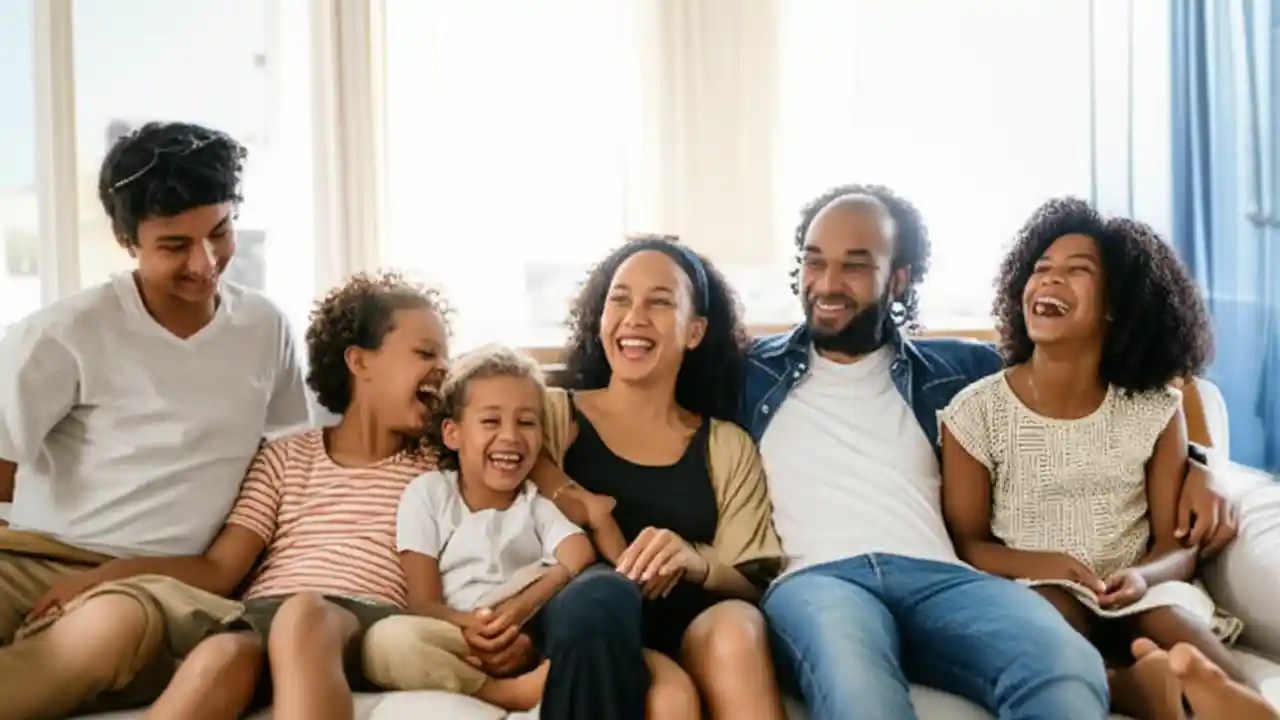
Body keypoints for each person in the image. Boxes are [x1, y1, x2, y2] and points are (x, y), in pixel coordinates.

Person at [744, 185, 1242, 720]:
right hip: (822, 580)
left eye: (855, 266)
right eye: (814, 262)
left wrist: (1201, 465)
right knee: (862, 697)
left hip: (944, 579)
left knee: (1064, 663)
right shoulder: (746, 372)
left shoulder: (960, 369)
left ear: (899, 278)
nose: (828, 284)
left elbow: (1102, 389)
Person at [21, 271, 449, 720]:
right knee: (220, 656)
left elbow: (518, 458)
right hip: (263, 615)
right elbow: (218, 569)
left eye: (445, 356)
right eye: (425, 353)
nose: (441, 367)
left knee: (305, 616)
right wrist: (103, 576)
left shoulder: (437, 465)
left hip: (356, 618)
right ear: (359, 363)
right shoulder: (286, 457)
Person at [0, 122, 310, 719]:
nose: (205, 262)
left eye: (219, 232)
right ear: (126, 240)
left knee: (104, 632)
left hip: (159, 585)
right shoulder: (65, 334)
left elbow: (285, 475)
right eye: (175, 246)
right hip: (37, 557)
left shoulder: (265, 330)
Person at [940, 198, 1247, 720]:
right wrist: (1048, 566)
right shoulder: (976, 413)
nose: (1050, 282)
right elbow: (969, 543)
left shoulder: (1153, 409)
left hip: (1137, 589)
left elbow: (1177, 544)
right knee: (1051, 618)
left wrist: (1143, 578)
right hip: (1037, 588)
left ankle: (1239, 698)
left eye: (1076, 272)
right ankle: (1132, 689)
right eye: (1040, 271)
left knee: (1174, 619)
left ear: (1114, 306)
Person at [531, 235, 788, 719]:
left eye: (660, 302)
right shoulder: (550, 413)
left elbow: (752, 577)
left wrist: (693, 559)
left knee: (738, 623)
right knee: (605, 594)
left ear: (694, 331)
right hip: (584, 624)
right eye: (620, 299)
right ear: (601, 318)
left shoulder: (726, 444)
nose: (634, 318)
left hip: (687, 627)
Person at [387, 344, 595, 711]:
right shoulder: (429, 493)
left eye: (526, 422)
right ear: (453, 433)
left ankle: (527, 677)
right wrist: (474, 627)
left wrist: (516, 616)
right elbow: (422, 602)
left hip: (524, 629)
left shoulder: (535, 503)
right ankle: (501, 693)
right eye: (490, 421)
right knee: (387, 642)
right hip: (457, 630)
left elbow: (579, 553)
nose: (511, 436)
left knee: (562, 583)